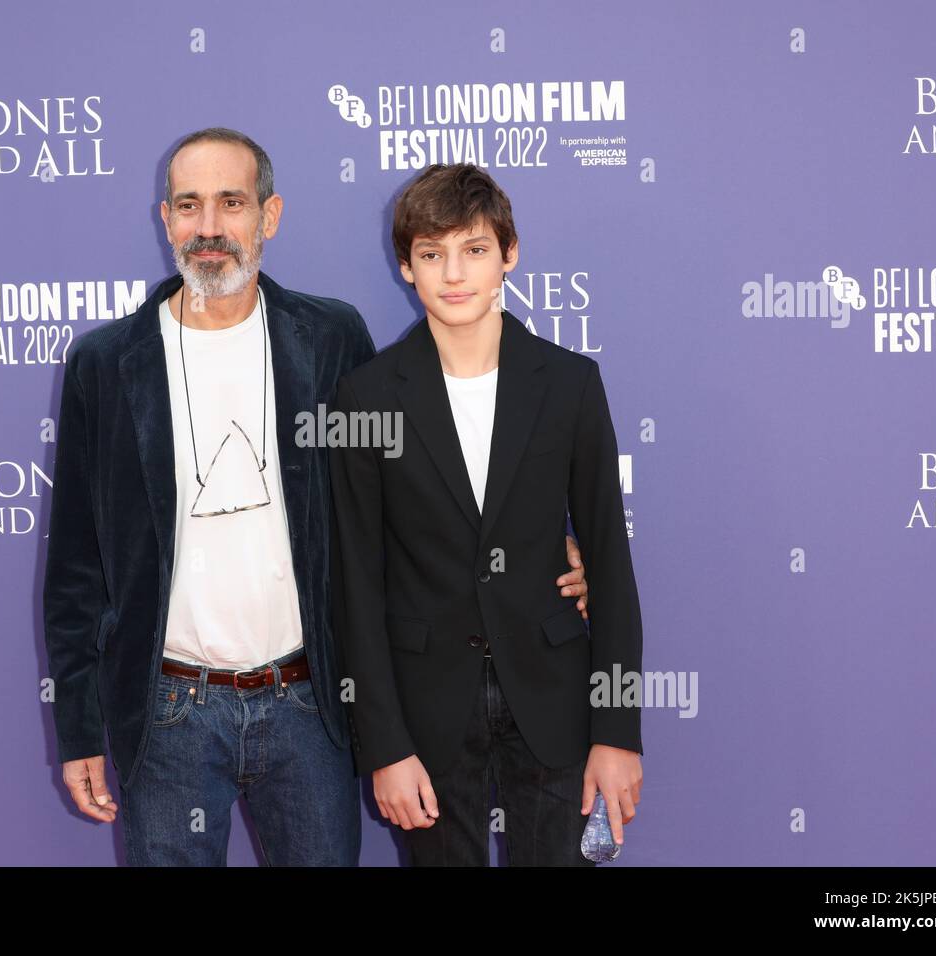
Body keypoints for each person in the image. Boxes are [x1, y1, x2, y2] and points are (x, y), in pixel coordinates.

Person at [42, 129, 594, 865]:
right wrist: (79, 728)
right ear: (166, 219)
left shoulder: (331, 340)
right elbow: (77, 566)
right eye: (189, 205)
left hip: (310, 704)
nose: (210, 227)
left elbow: (410, 494)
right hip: (169, 709)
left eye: (231, 203)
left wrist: (538, 554)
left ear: (268, 216)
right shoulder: (106, 365)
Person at [329, 163, 642, 866]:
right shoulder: (367, 396)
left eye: (473, 249)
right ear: (406, 267)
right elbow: (356, 580)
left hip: (555, 696)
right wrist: (384, 745)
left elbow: (611, 565)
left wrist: (617, 731)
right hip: (425, 708)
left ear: (509, 253)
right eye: (431, 253)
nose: (454, 273)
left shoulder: (569, 383)